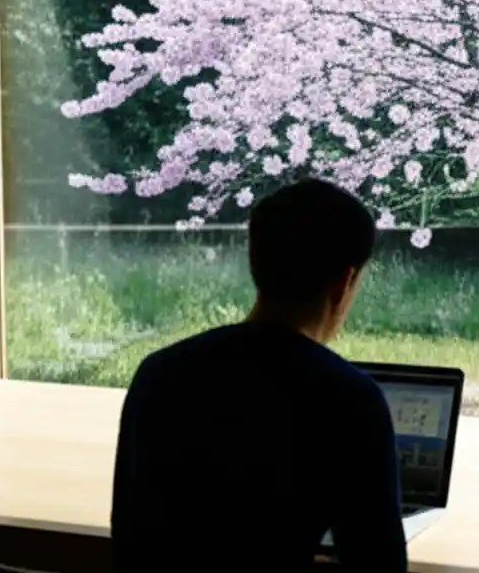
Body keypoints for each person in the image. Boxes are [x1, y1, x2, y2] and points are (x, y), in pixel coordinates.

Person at [110, 178, 407, 573]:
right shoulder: (350, 400)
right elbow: (378, 562)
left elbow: (130, 539)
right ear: (344, 283)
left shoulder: (160, 373)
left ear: (256, 262)